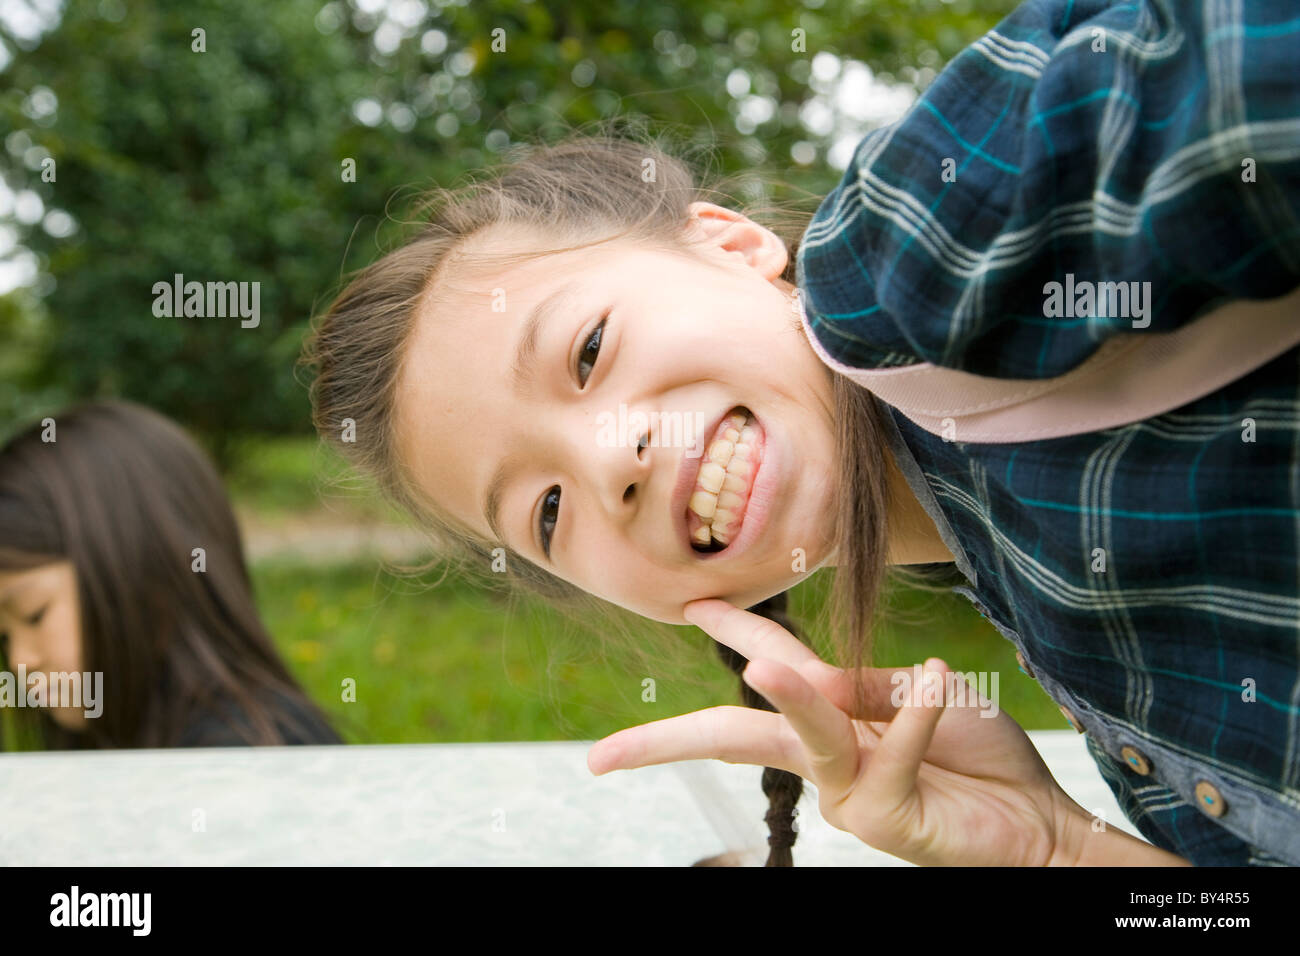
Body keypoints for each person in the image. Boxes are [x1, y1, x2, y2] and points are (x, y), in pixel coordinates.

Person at [301, 0, 1300, 865]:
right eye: (547, 509)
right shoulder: (1032, 607)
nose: (610, 461)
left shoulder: (915, 257)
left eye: (589, 347)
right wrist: (1054, 844)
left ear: (728, 243)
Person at [0, 399, 343, 750]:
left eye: (34, 614)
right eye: (5, 637)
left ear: (143, 571)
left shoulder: (244, 765)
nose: (21, 661)